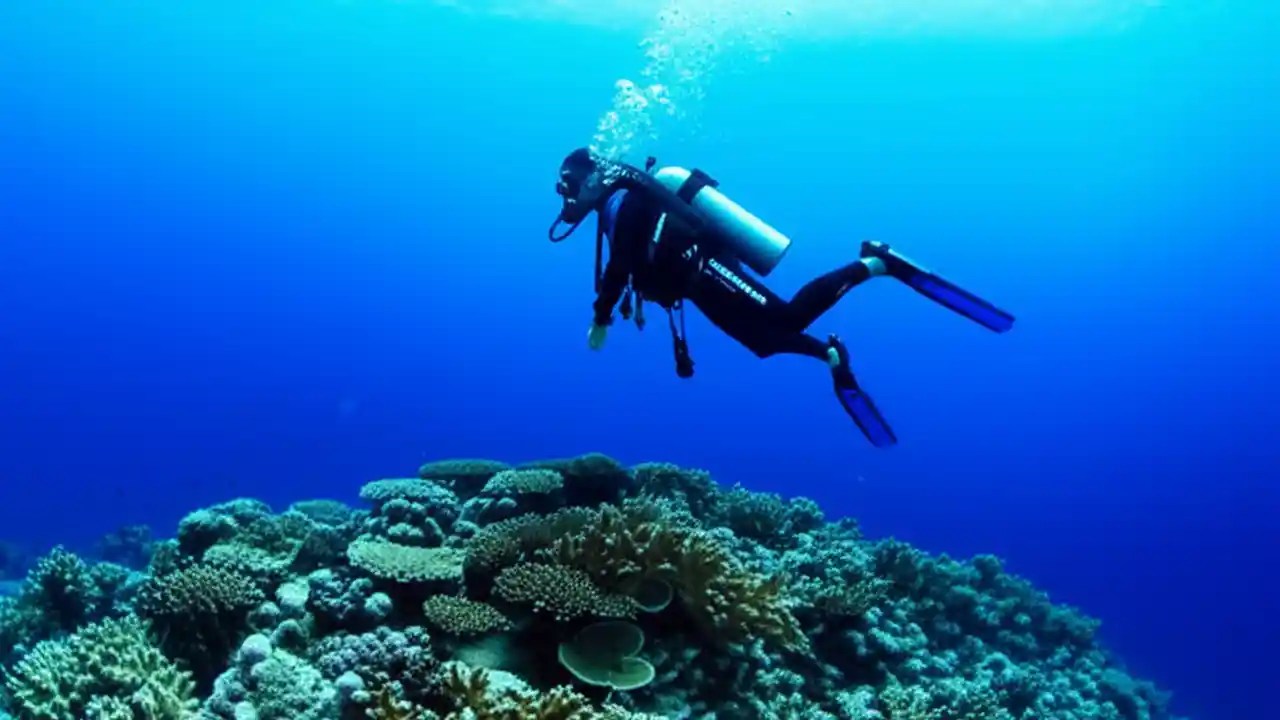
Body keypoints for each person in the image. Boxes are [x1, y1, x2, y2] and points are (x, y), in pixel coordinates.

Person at [547, 147, 1015, 447]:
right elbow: (629, 263)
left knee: (788, 316)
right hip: (697, 285)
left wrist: (602, 317)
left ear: (589, 178)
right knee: (764, 342)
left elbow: (623, 263)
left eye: (567, 187)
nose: (567, 201)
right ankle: (828, 352)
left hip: (708, 271)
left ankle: (878, 263)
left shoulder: (625, 201)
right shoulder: (615, 206)